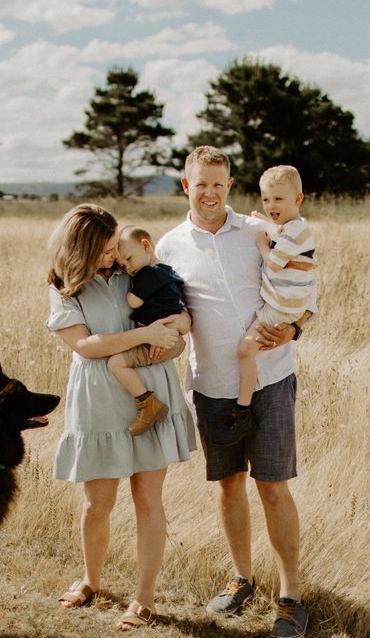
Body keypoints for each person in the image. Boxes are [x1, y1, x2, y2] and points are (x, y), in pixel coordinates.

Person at [157, 147, 316, 638]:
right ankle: (241, 576)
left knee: (272, 486)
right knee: (228, 486)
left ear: (230, 186)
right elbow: (169, 310)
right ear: (186, 185)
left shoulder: (258, 231)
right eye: (201, 183)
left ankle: (290, 595)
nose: (210, 192)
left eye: (219, 184)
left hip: (269, 377)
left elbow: (306, 288)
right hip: (211, 386)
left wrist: (295, 330)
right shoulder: (168, 246)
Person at [46, 203, 198, 632]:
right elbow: (87, 346)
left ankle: (144, 598)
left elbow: (178, 315)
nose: (114, 256)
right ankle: (91, 580)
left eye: (116, 247)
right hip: (98, 399)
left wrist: (179, 325)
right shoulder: (62, 286)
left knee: (148, 500)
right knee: (97, 504)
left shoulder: (136, 269)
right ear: (82, 249)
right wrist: (146, 334)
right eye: (106, 250)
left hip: (150, 389)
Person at [235, 165, 317, 425]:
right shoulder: (293, 228)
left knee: (245, 350)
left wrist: (262, 244)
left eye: (279, 199)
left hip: (280, 309)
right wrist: (269, 222)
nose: (271, 204)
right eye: (267, 198)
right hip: (285, 305)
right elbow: (283, 236)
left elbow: (274, 262)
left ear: (298, 199)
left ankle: (243, 406)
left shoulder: (296, 231)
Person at [108, 225, 188, 436]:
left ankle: (147, 403)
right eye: (122, 265)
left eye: (128, 259)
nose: (127, 267)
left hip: (162, 337)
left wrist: (127, 289)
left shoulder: (149, 273)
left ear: (145, 245)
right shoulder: (168, 271)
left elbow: (133, 301)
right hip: (171, 336)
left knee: (115, 363)